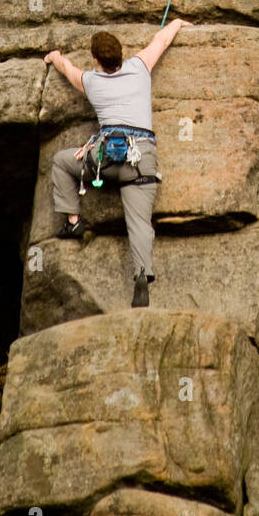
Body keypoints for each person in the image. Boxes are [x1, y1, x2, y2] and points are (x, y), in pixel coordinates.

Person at [44, 20, 192, 307]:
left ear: (96, 59)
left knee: (62, 162)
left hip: (105, 161)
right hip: (141, 161)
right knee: (139, 222)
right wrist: (176, 23)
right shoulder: (139, 67)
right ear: (121, 55)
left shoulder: (90, 81)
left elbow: (66, 69)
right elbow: (161, 41)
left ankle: (73, 222)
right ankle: (141, 274)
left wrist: (54, 57)